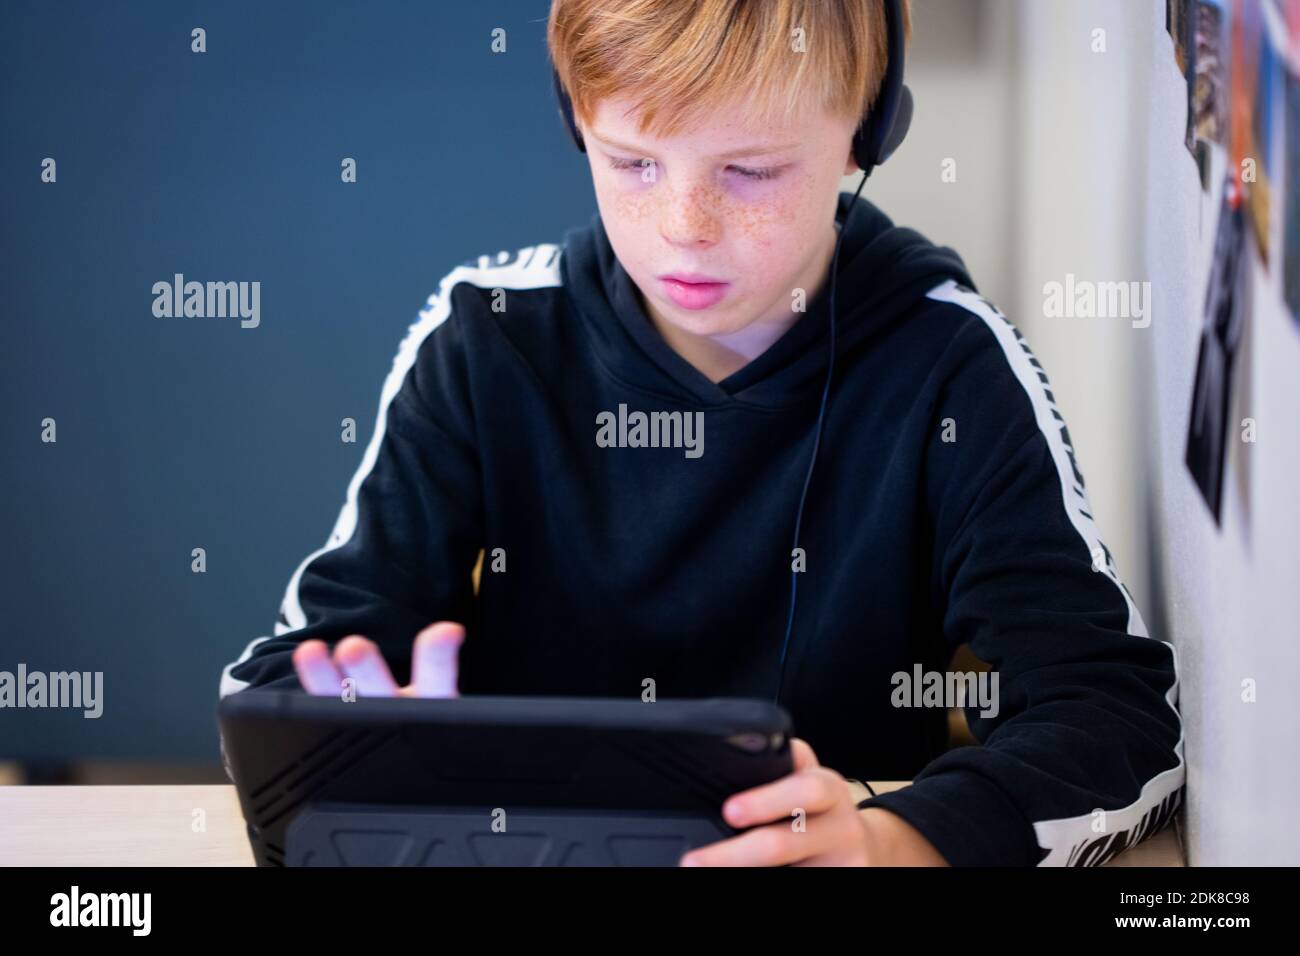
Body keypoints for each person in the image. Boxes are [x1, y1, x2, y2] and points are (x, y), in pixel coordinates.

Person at [219, 0, 1185, 866]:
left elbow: (1119, 717)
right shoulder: (485, 339)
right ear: (576, 123)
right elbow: (286, 682)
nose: (683, 226)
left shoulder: (950, 365)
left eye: (752, 170)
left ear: (868, 132)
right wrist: (356, 740)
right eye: (632, 161)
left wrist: (893, 841)